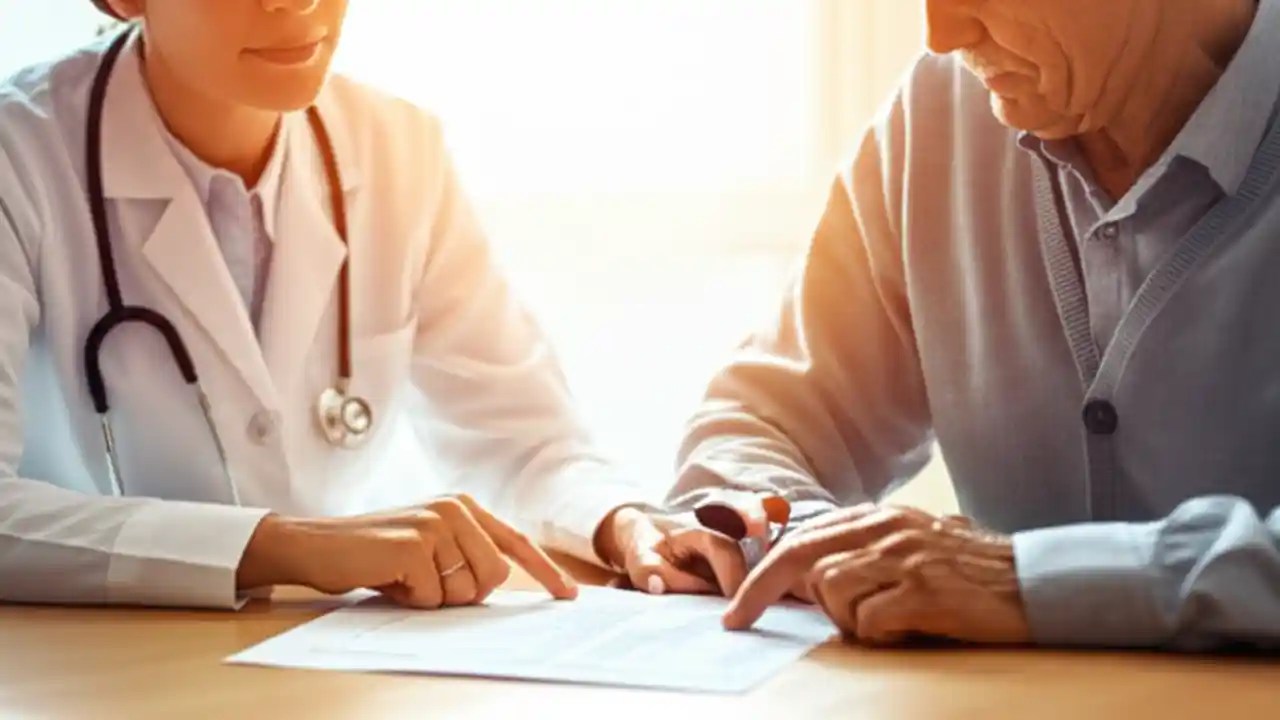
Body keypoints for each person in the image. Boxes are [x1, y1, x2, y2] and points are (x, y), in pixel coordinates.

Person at [0, 0, 738, 610]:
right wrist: (285, 545)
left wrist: (623, 523)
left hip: (316, 665)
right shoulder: (20, 156)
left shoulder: (398, 148)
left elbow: (525, 441)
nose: (293, 3)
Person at [670, 0, 1280, 650]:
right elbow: (764, 423)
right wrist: (810, 541)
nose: (943, 34)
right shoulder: (940, 113)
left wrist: (1028, 580)